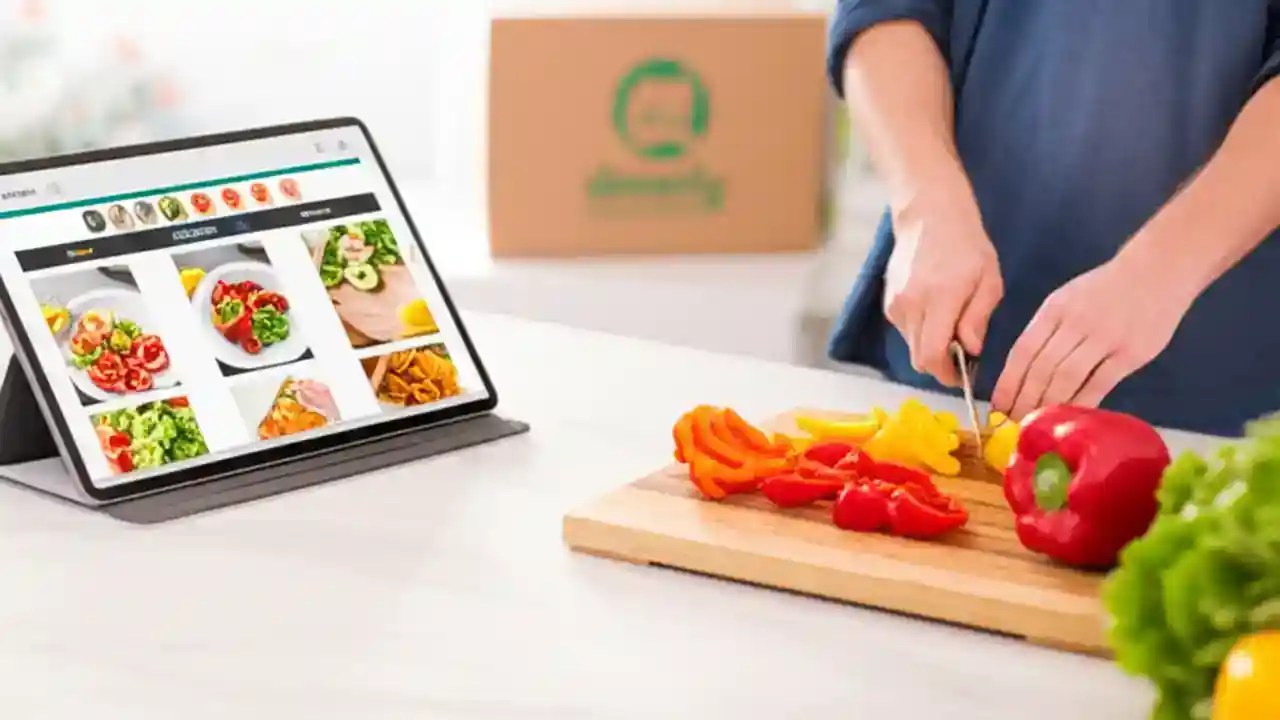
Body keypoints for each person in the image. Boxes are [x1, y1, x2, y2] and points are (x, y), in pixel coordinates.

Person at [826, 0, 1280, 436]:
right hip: (956, 361)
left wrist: (1164, 267)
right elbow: (885, 11)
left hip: (1222, 381)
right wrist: (925, 205)